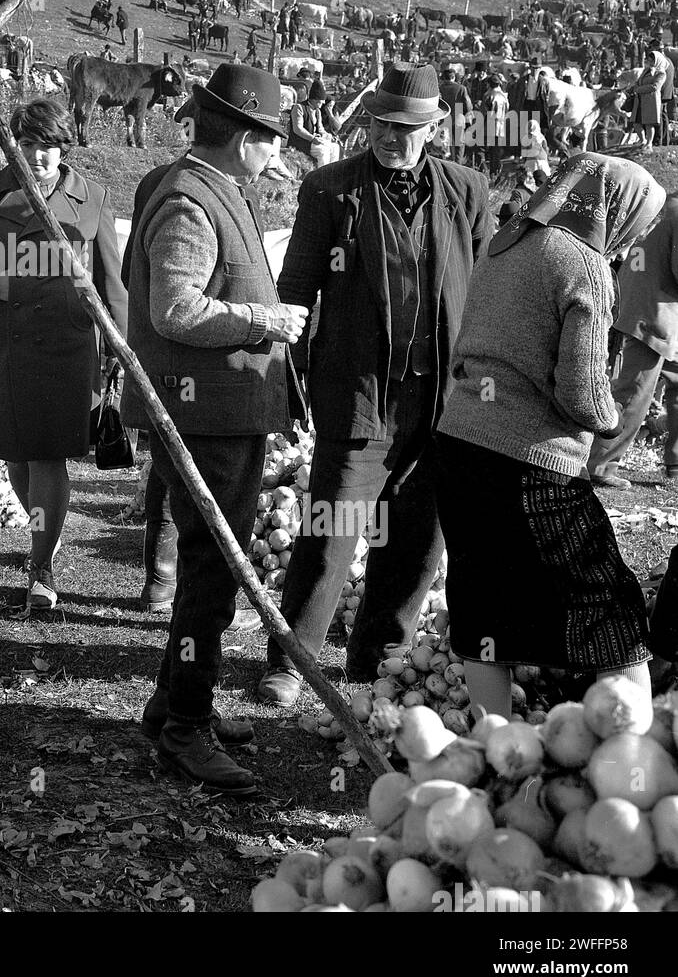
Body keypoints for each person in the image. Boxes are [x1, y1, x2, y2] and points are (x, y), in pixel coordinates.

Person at [260, 64, 492, 708]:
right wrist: (291, 378)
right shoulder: (331, 191)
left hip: (440, 398)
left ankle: (378, 657)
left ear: (433, 127)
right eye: (381, 124)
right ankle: (293, 661)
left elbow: (489, 294)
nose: (391, 137)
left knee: (417, 535)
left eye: (407, 128)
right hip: (359, 392)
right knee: (332, 528)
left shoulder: (467, 192)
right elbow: (297, 291)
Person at [120, 64, 307, 792]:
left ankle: (173, 701)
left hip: (217, 413)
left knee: (207, 561)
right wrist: (268, 321)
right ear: (245, 138)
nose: (276, 155)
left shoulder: (209, 188)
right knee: (211, 573)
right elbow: (174, 308)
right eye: (271, 139)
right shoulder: (193, 202)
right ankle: (187, 729)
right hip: (204, 417)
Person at [433, 154, 665, 716]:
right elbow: (580, 394)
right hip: (532, 461)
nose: (638, 234)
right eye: (640, 220)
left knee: (485, 599)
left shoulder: (507, 241)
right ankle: (639, 761)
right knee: (610, 607)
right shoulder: (583, 263)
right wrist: (614, 418)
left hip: (460, 441)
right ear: (617, 208)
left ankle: (496, 745)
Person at [0, 98, 127, 610]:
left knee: (47, 454)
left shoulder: (91, 198)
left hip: (65, 345)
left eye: (49, 146)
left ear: (63, 148)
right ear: (13, 146)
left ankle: (41, 567)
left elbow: (112, 280)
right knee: (15, 457)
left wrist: (118, 341)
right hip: (3, 343)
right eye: (28, 145)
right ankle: (47, 524)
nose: (39, 157)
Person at [586, 191, 678, 488]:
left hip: (641, 303)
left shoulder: (666, 204)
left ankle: (675, 462)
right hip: (652, 312)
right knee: (634, 393)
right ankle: (600, 465)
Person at [287, 79, 340, 166]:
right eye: (321, 100)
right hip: (301, 142)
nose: (323, 103)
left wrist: (329, 136)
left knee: (335, 147)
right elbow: (298, 129)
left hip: (314, 141)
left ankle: (331, 175)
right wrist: (312, 138)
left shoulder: (317, 111)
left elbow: (320, 129)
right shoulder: (299, 108)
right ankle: (321, 177)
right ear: (315, 99)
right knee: (323, 151)